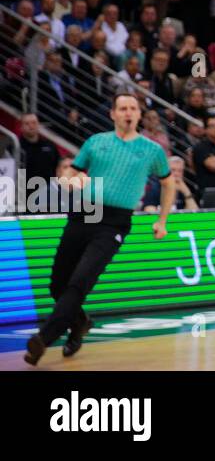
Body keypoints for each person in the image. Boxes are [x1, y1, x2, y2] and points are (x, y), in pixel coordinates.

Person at [24, 93, 172, 366]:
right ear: (112, 114)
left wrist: (162, 220)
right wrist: (67, 181)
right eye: (122, 108)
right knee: (57, 285)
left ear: (139, 114)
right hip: (83, 214)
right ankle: (79, 323)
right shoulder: (95, 142)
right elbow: (71, 171)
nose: (128, 112)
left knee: (80, 281)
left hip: (114, 222)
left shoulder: (152, 150)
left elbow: (168, 183)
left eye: (133, 108)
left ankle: (43, 340)